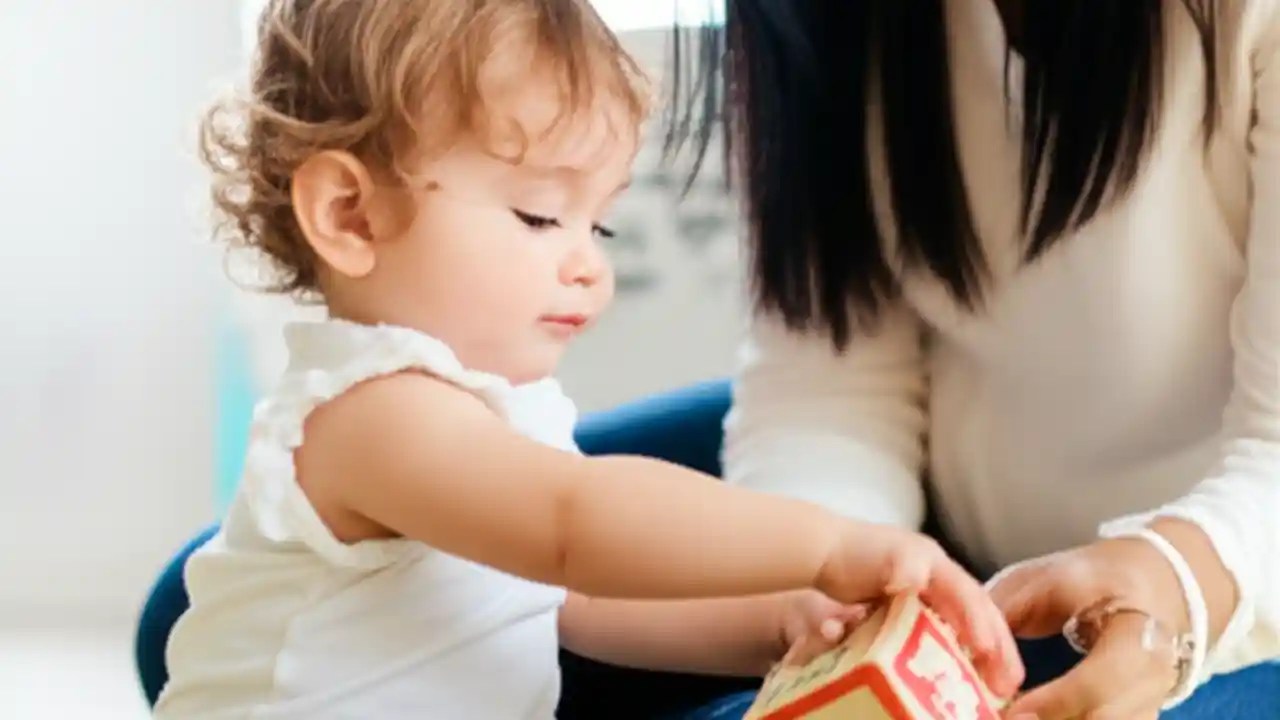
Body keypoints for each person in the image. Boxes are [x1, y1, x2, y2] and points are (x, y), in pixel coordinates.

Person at [151, 1, 1023, 718]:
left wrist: (776, 618)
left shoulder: (490, 413)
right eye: (539, 217)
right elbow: (576, 529)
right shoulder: (371, 413)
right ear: (350, 215)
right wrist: (824, 545)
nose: (587, 262)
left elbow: (585, 603)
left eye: (596, 223)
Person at [659, 0, 1280, 718]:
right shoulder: (825, 23)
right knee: (513, 590)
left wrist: (1178, 584)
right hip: (945, 546)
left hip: (1229, 581)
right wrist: (839, 583)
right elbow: (827, 391)